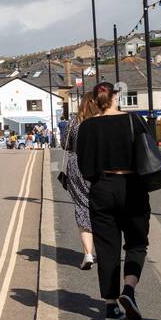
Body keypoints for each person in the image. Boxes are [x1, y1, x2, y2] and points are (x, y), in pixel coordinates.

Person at [75, 82, 151, 320]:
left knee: (107, 247)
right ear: (116, 97)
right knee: (137, 243)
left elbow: (84, 166)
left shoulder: (87, 127)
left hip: (102, 188)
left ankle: (110, 306)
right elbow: (148, 153)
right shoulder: (135, 121)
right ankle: (128, 290)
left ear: (95, 101)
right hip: (133, 188)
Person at [63, 93, 99, 269]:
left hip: (77, 167)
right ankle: (104, 250)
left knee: (82, 208)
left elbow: (65, 145)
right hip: (99, 166)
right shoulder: (102, 122)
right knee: (101, 208)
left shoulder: (74, 122)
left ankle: (88, 254)